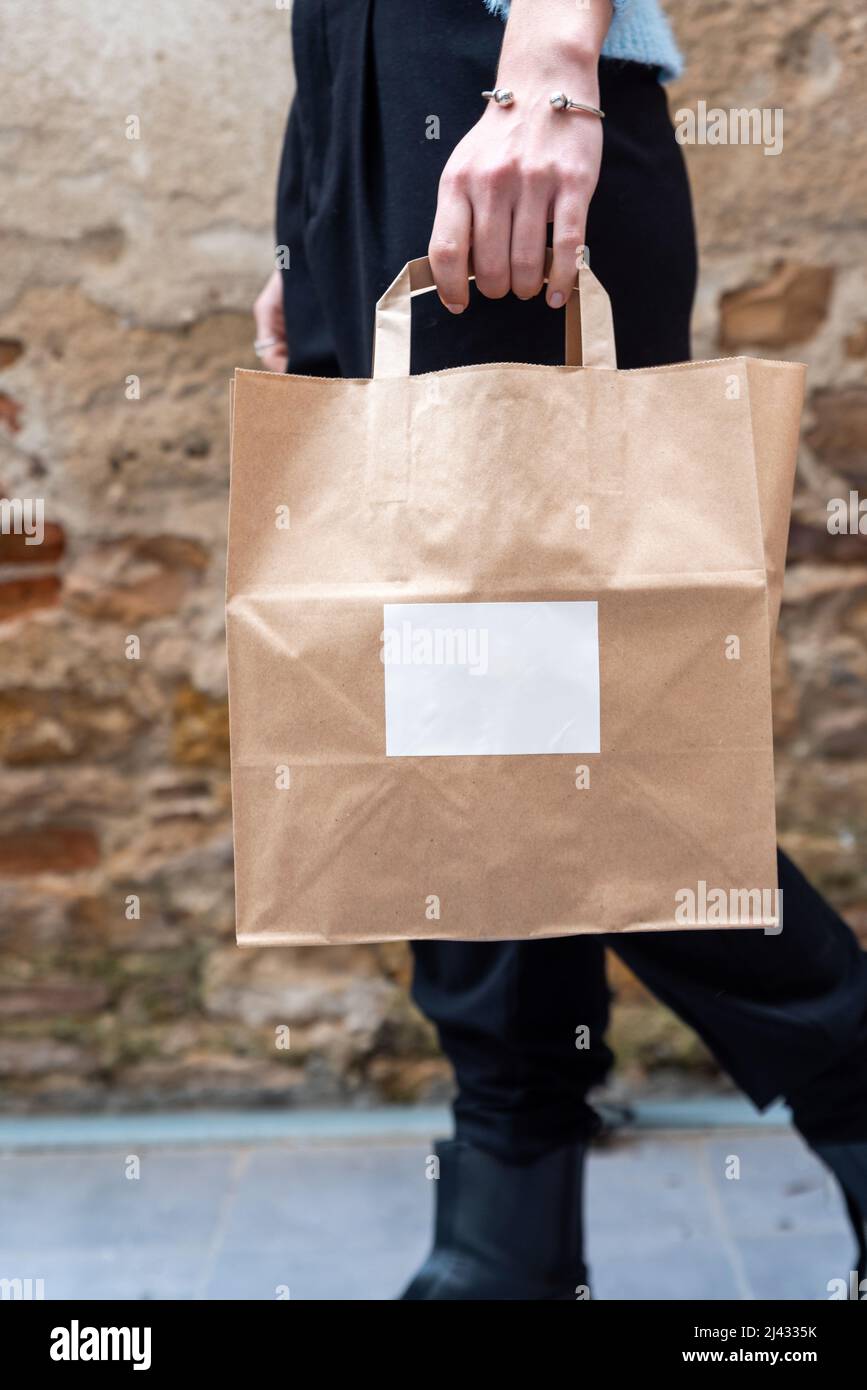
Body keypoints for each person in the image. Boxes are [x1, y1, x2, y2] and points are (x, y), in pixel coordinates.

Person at [253, 0, 867, 1300]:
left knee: (556, 730)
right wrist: (310, 211)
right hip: (363, 117)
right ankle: (509, 1226)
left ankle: (835, 1071)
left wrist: (549, 62)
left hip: (497, 82)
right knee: (451, 732)